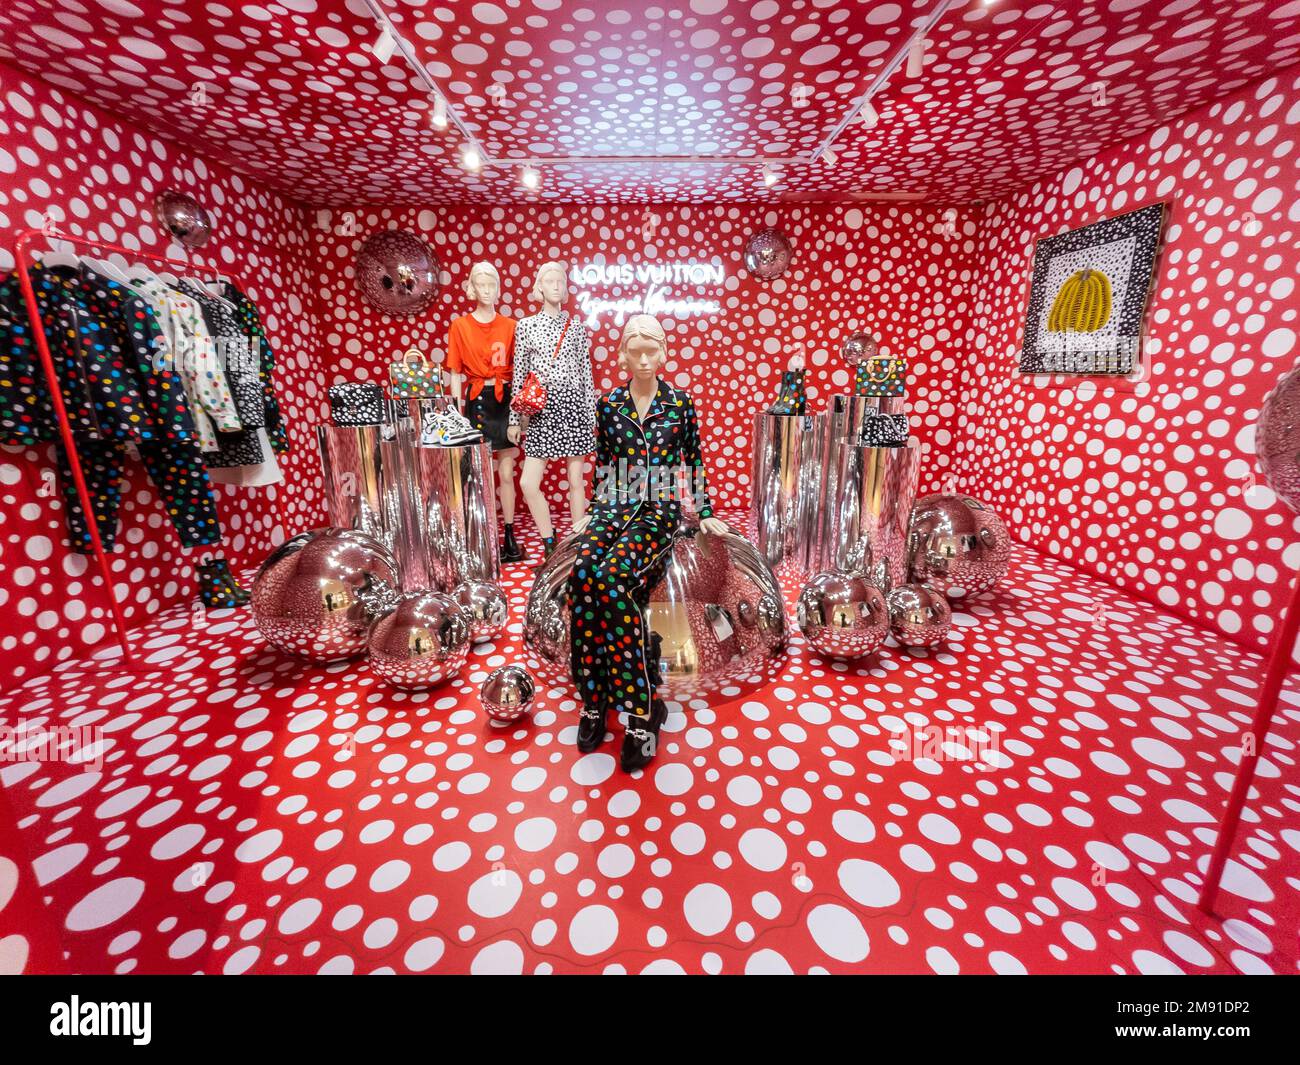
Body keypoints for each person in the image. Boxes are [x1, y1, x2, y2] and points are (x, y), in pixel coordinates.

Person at [567, 314, 730, 773]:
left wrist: (708, 511)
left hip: (658, 509)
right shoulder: (609, 403)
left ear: (663, 353)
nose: (642, 359)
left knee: (614, 580)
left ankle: (642, 708)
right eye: (633, 351)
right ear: (621, 354)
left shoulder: (679, 403)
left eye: (650, 350)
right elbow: (604, 464)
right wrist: (593, 513)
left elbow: (693, 459)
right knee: (583, 576)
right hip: (614, 504)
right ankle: (595, 696)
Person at [508, 261, 597, 565]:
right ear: (540, 286)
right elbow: (519, 374)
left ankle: (577, 542)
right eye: (550, 280)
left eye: (561, 280)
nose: (557, 285)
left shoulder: (575, 327)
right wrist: (514, 419)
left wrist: (591, 414)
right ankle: (549, 540)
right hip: (542, 410)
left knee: (576, 480)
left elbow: (586, 373)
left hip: (573, 405)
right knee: (528, 483)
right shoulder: (526, 326)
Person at [447, 262, 523, 562]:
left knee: (506, 471)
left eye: (492, 283)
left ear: (498, 288)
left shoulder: (511, 326)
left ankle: (508, 531)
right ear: (472, 288)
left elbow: (520, 371)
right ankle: (484, 530)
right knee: (478, 474)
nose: (487, 290)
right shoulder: (460, 326)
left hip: (504, 400)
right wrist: (453, 413)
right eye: (481, 284)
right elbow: (454, 371)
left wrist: (520, 413)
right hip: (477, 398)